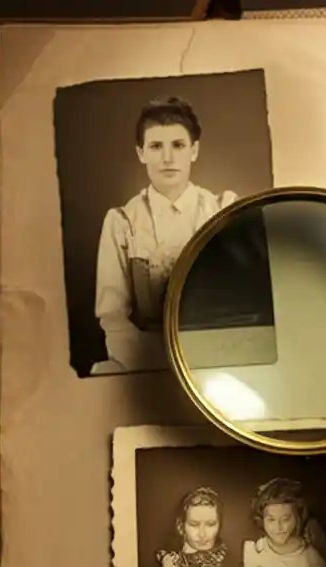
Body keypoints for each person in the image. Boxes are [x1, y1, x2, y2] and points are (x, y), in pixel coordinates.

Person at [92, 95, 237, 374]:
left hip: (214, 355)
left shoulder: (222, 210)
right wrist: (154, 362)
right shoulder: (122, 222)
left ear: (194, 151)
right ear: (141, 153)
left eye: (178, 145)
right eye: (156, 146)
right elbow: (113, 316)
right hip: (145, 359)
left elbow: (237, 301)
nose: (167, 158)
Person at [242, 478, 326, 567]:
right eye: (271, 520)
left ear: (297, 518)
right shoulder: (256, 551)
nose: (278, 527)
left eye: (286, 519)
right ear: (262, 519)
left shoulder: (309, 554)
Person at [156, 486, 246, 567]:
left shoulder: (225, 554)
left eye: (210, 524)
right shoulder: (173, 561)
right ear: (181, 527)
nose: (202, 534)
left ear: (219, 525)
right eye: (194, 524)